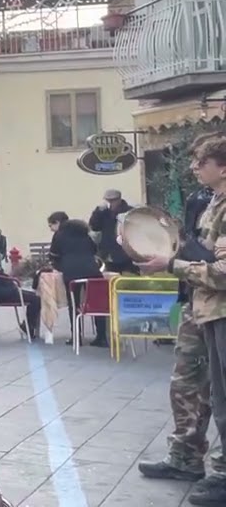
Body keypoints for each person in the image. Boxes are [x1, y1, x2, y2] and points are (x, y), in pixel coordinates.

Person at [136, 135, 226, 504]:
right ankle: (186, 457)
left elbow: (222, 270)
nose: (193, 168)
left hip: (219, 307)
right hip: (204, 306)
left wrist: (173, 264)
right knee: (192, 384)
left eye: (200, 162)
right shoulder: (207, 202)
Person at [47, 211, 106, 347]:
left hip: (71, 273)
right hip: (92, 271)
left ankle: (76, 337)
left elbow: (54, 255)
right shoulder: (83, 233)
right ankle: (102, 336)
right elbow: (93, 250)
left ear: (57, 222)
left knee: (74, 304)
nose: (51, 229)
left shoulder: (59, 235)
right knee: (97, 304)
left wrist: (60, 265)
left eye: (51, 225)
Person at [90, 188, 135, 274]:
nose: (110, 203)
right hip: (108, 253)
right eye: (108, 200)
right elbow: (94, 227)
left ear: (119, 200)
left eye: (112, 200)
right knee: (111, 279)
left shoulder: (129, 211)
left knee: (128, 277)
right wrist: (97, 212)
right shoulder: (103, 213)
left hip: (126, 252)